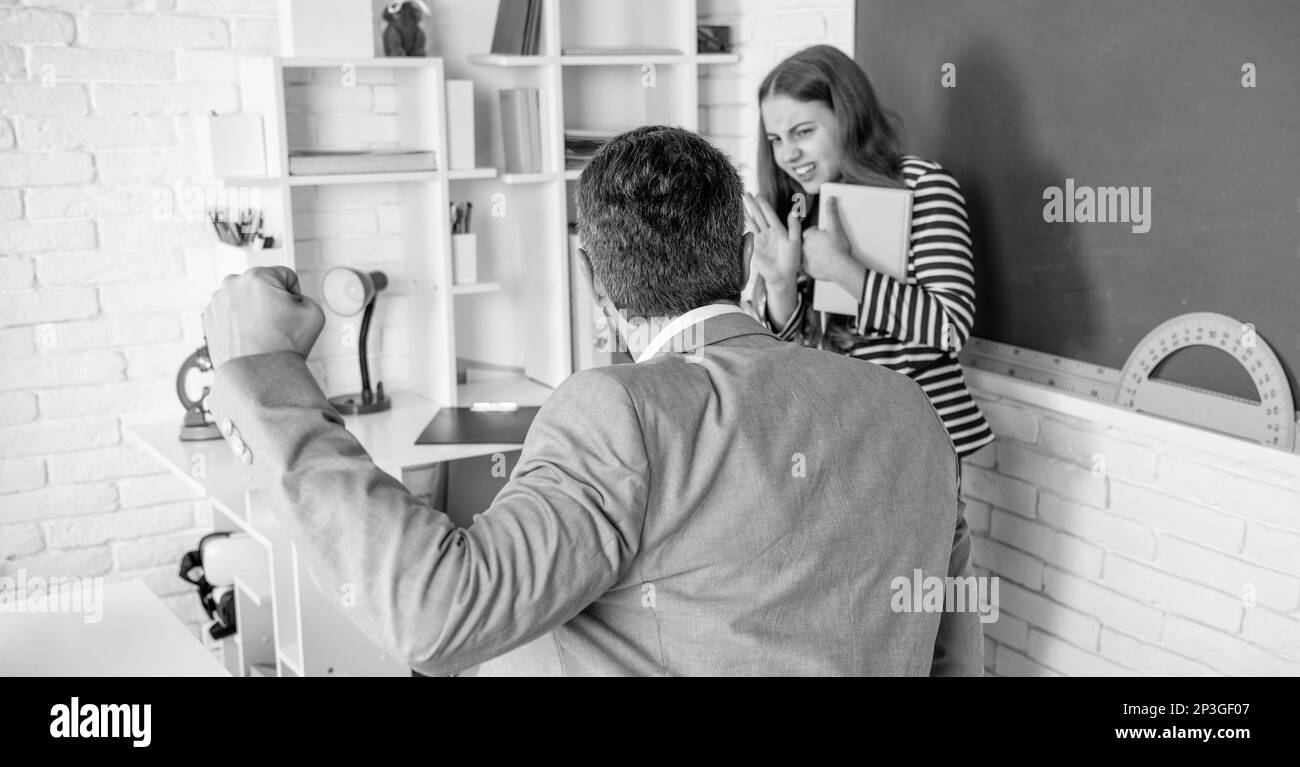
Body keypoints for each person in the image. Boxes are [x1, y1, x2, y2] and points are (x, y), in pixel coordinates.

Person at [201, 125, 982, 676]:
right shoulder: (913, 412)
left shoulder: (619, 410)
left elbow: (434, 616)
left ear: (590, 277)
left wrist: (269, 375)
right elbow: (950, 656)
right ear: (745, 259)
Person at [746, 45, 995, 458]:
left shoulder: (921, 185)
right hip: (835, 439)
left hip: (917, 442)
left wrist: (843, 269)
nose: (788, 154)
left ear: (848, 118)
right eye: (776, 139)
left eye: (803, 132)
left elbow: (950, 328)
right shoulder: (800, 207)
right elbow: (788, 356)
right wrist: (779, 283)